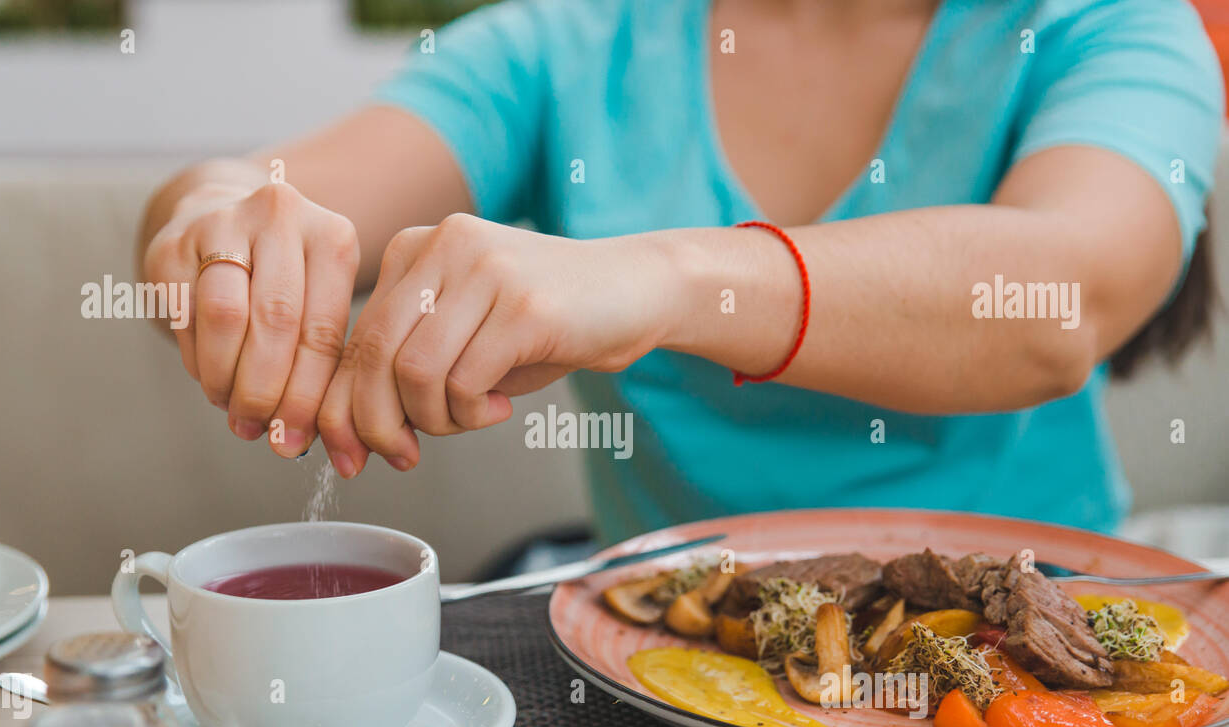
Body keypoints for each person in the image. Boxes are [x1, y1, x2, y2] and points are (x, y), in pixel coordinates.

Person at [137, 0, 1223, 545]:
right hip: (670, 673)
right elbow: (269, 186)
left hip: (1041, 675)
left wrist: (659, 281)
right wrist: (215, 227)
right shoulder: (575, 39)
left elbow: (1058, 297)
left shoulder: (1111, 26)